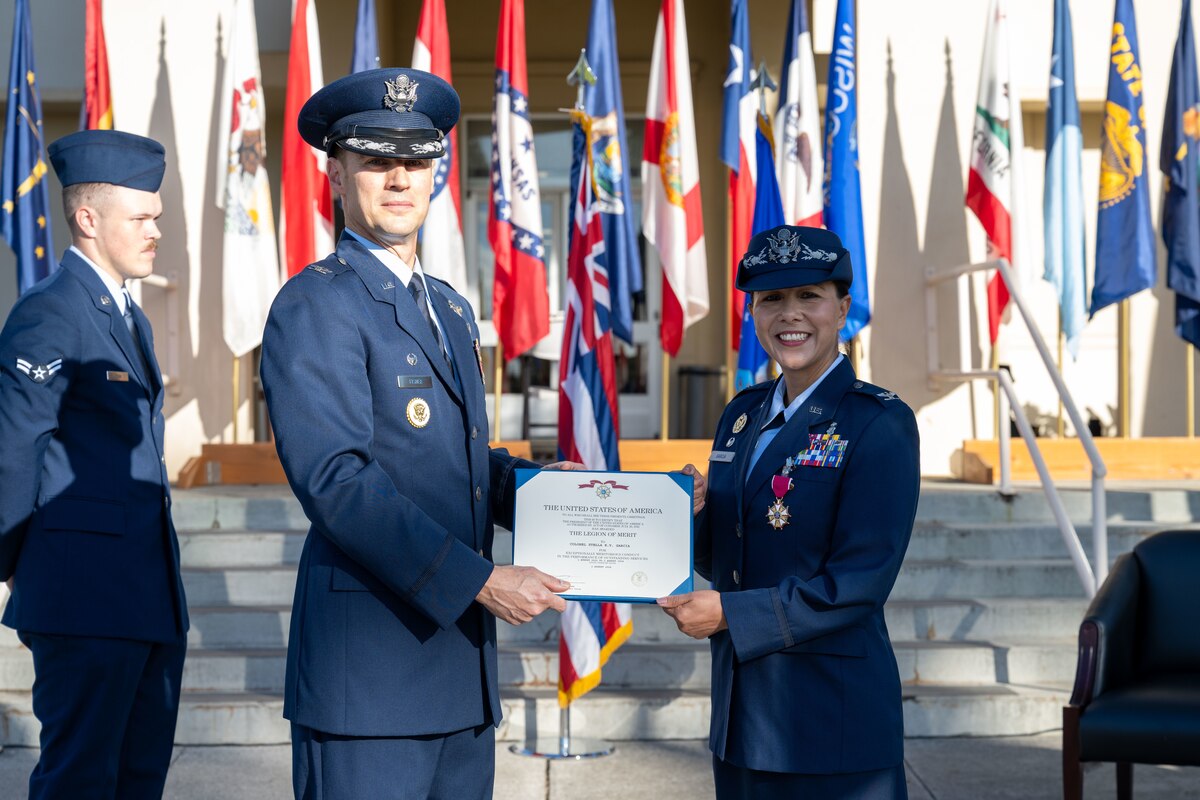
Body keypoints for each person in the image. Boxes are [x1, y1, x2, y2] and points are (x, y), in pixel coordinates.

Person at [259, 68, 571, 800]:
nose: (399, 178)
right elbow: (338, 481)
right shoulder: (315, 305)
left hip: (458, 677)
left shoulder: (450, 309)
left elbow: (462, 467)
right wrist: (484, 581)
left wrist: (574, 499)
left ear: (436, 172)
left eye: (416, 160)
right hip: (370, 681)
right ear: (336, 174)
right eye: (376, 159)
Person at [659, 225, 920, 799]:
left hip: (831, 720)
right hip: (743, 718)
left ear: (843, 307)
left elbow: (857, 583)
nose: (789, 315)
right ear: (753, 313)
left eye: (809, 296)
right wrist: (684, 515)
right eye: (771, 299)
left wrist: (729, 615)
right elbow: (730, 556)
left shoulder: (876, 423)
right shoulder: (743, 415)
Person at [0, 130, 187, 799]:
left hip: (143, 597)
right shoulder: (49, 313)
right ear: (87, 218)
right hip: (82, 596)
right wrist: (9, 564)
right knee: (80, 781)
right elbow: (14, 450)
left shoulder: (125, 315)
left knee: (137, 781)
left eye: (156, 217)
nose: (154, 230)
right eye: (140, 217)